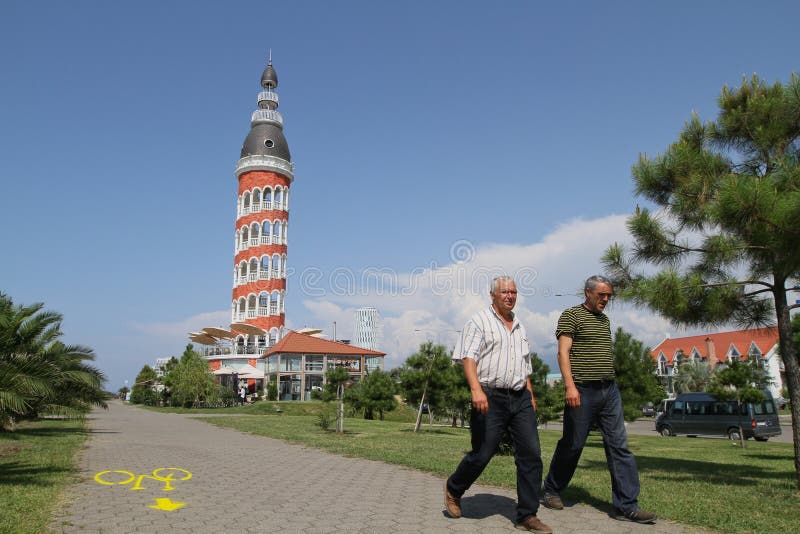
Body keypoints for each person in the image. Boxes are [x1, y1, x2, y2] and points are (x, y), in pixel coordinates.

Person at [541, 275, 656, 524]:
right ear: (588, 292)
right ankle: (551, 490)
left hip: (609, 391)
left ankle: (626, 506)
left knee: (619, 446)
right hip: (582, 390)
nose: (605, 299)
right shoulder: (571, 315)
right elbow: (563, 352)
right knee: (573, 444)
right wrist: (570, 387)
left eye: (608, 296)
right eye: (601, 295)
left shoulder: (604, 320)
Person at [444, 276, 552, 533]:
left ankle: (527, 514)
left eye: (513, 292)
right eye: (505, 292)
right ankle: (454, 488)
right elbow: (468, 357)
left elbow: (524, 365)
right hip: (490, 396)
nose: (510, 296)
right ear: (492, 295)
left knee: (531, 454)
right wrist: (476, 390)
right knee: (483, 452)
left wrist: (531, 393)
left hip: (520, 397)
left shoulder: (520, 326)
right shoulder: (479, 322)